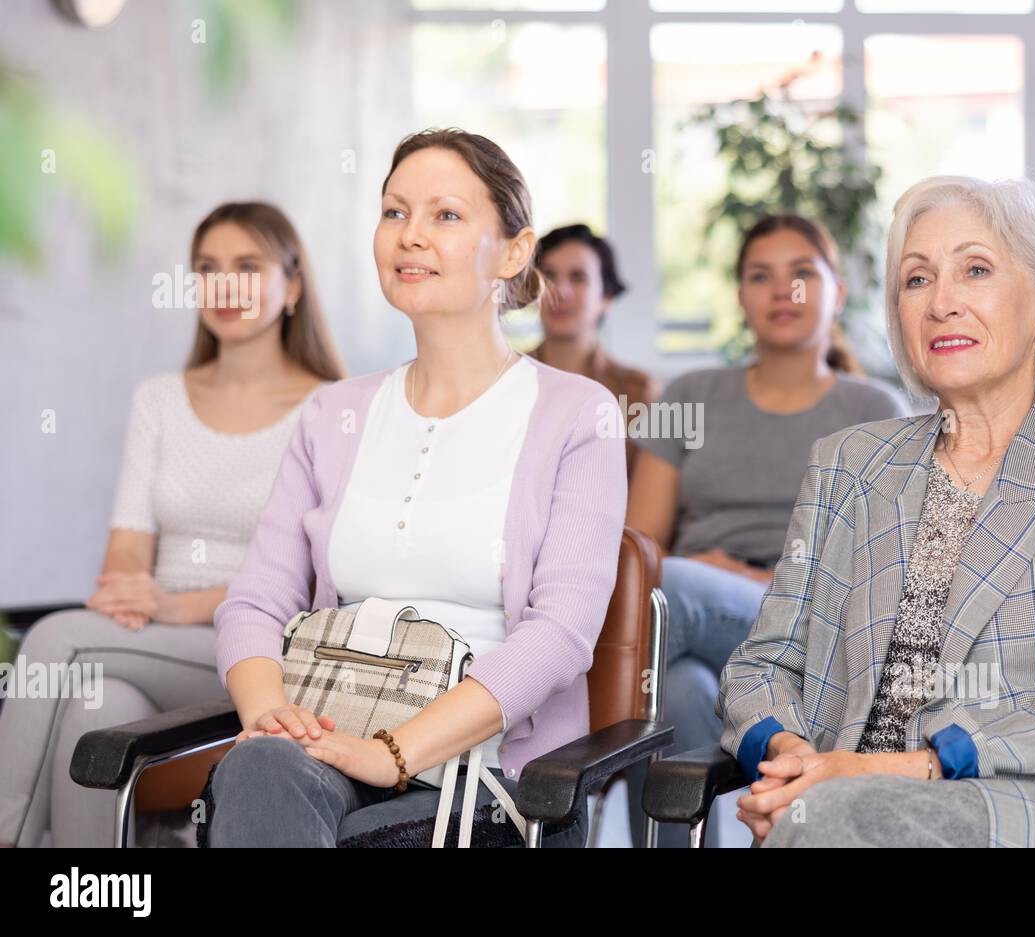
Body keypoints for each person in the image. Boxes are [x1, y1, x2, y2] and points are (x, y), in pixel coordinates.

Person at [722, 177, 1035, 848]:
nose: (942, 303)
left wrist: (875, 775)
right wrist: (798, 766)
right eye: (916, 279)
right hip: (833, 806)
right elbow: (761, 665)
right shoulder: (847, 462)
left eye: (975, 269)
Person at [203, 129, 626, 848]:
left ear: (515, 252)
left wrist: (392, 752)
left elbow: (558, 636)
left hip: (487, 783)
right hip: (327, 743)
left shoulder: (578, 413)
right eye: (395, 212)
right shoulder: (332, 414)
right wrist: (274, 716)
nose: (411, 237)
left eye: (446, 216)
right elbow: (254, 601)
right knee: (260, 771)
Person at [0, 202, 342, 847]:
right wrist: (134, 597)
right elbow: (128, 545)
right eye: (208, 268)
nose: (224, 285)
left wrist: (175, 605)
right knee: (95, 708)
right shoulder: (158, 397)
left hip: (254, 647)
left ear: (292, 286)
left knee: (53, 639)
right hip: (148, 636)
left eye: (248, 265)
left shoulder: (329, 408)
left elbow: (308, 581)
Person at [623, 214, 911, 847]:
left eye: (803, 274)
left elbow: (881, 573)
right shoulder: (687, 397)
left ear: (837, 292)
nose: (785, 291)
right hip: (692, 612)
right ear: (740, 297)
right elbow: (636, 553)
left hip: (807, 620)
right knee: (677, 688)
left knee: (666, 592)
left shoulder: (874, 411)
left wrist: (749, 577)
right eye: (762, 276)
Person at [529, 223, 660, 477]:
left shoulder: (638, 392)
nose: (560, 291)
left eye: (578, 277)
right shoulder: (504, 381)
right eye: (549, 276)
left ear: (607, 297)